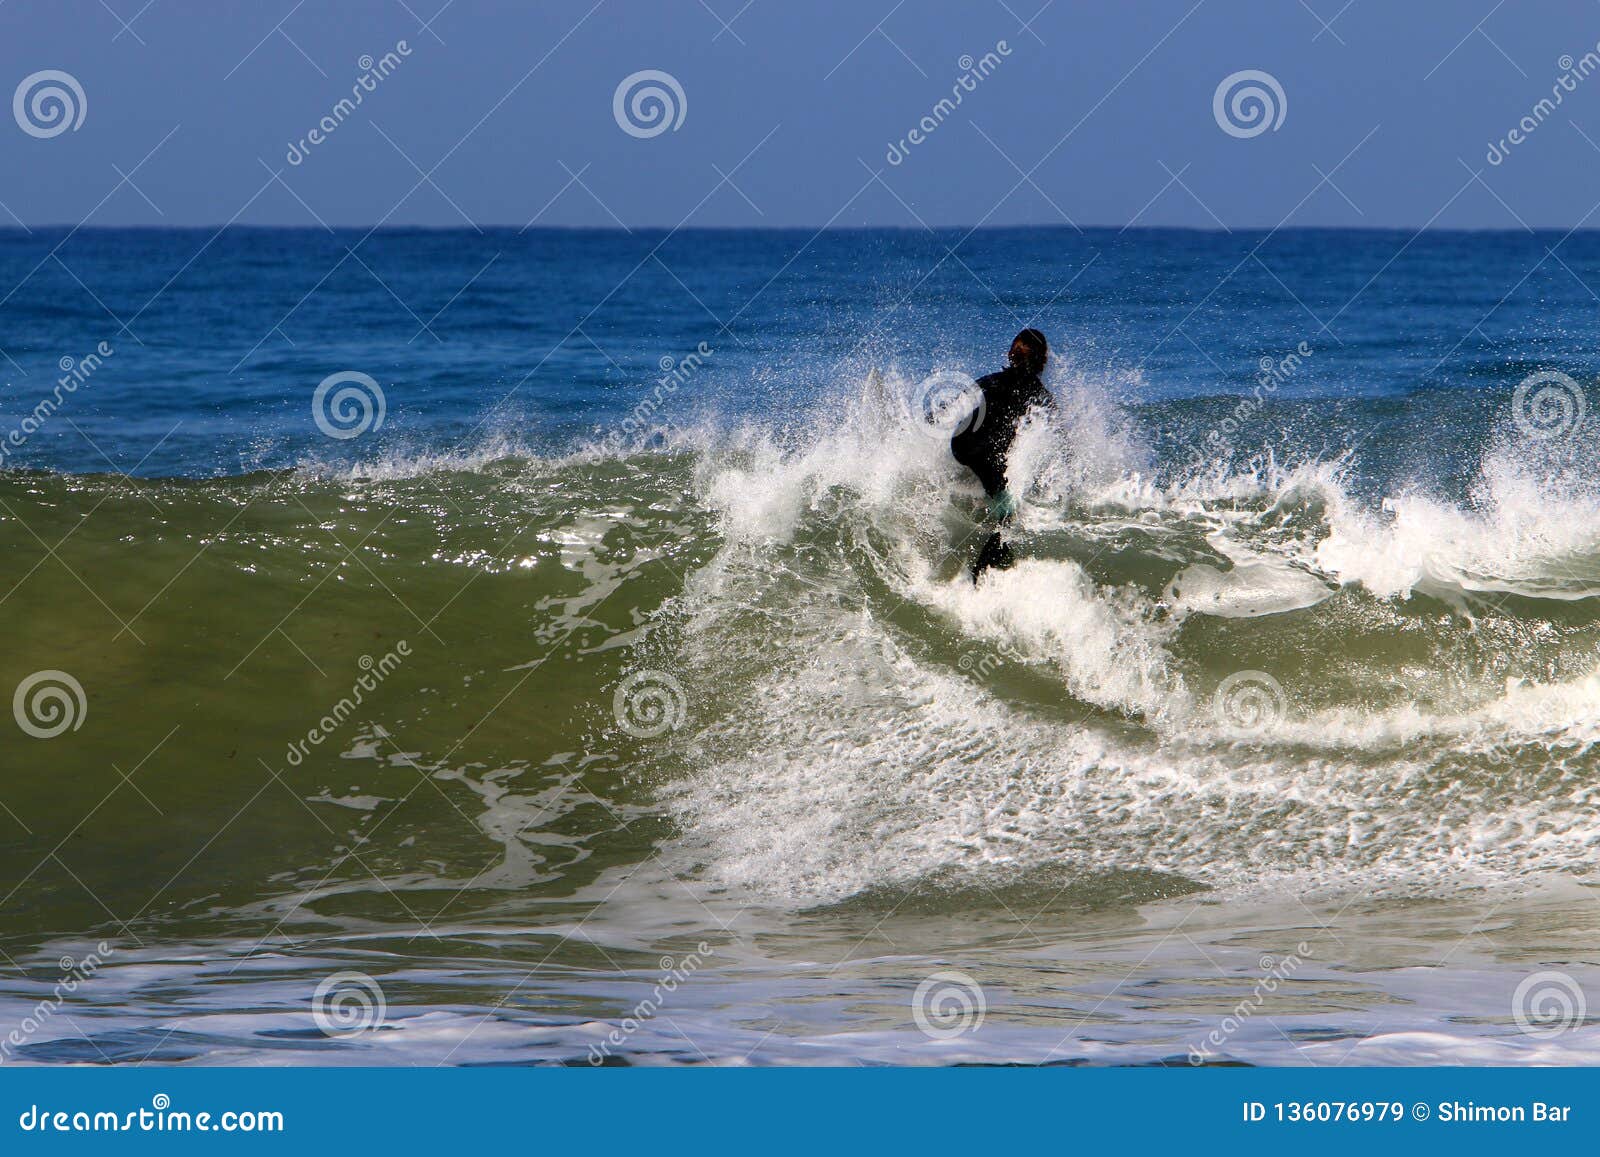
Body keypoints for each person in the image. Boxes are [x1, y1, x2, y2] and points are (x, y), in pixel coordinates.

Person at [949, 328, 1054, 578]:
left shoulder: (991, 379)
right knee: (1007, 517)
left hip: (960, 444)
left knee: (991, 478)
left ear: (1011, 355)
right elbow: (1055, 432)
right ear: (1043, 361)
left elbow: (954, 404)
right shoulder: (1040, 395)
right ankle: (980, 573)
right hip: (984, 452)